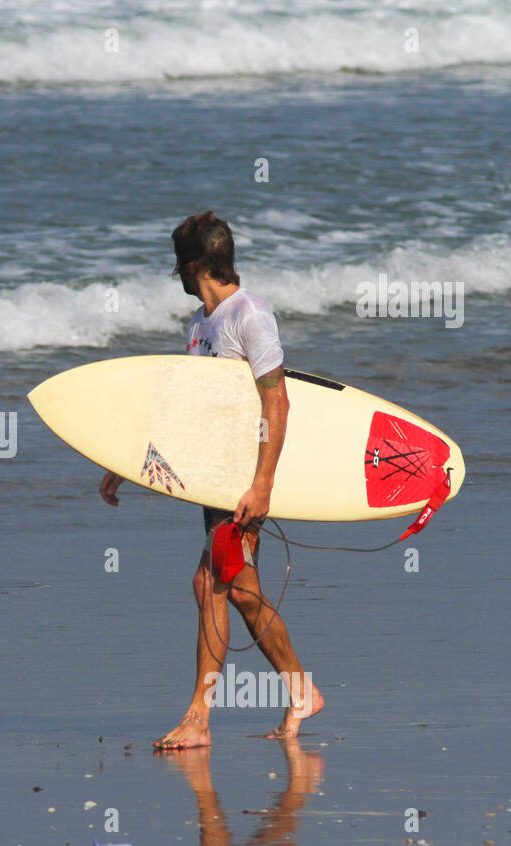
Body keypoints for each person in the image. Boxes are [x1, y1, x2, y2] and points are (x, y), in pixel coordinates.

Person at [99, 211, 322, 749]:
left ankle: (199, 717)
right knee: (241, 594)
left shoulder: (251, 316)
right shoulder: (201, 324)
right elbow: (189, 411)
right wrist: (125, 463)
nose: (175, 271)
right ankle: (301, 692)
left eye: (178, 261)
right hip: (214, 482)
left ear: (195, 263)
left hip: (243, 481)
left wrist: (262, 484)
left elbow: (278, 398)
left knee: (211, 585)